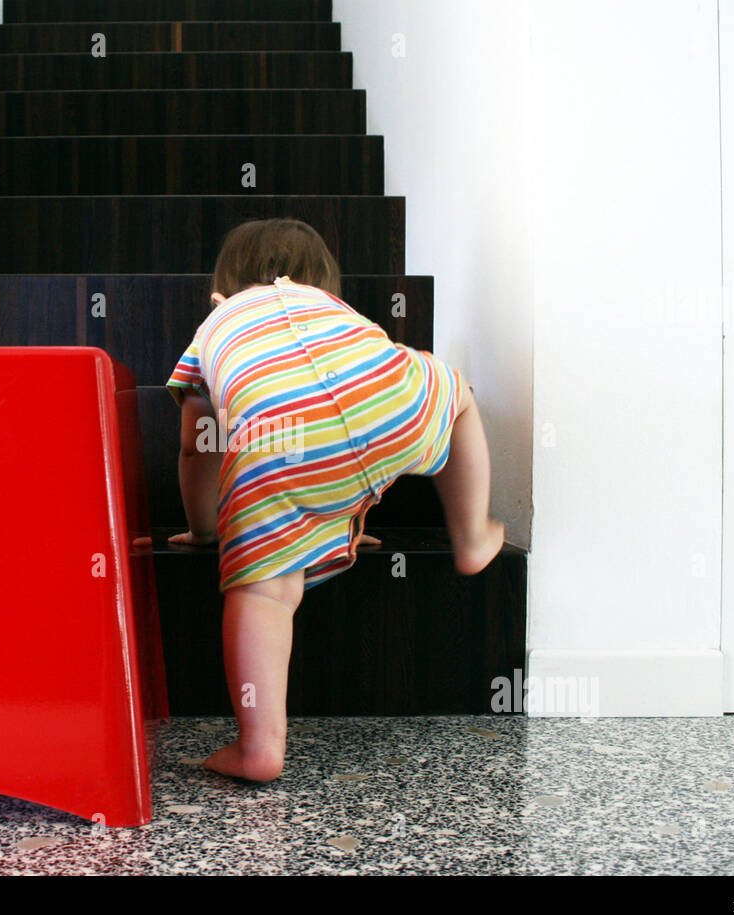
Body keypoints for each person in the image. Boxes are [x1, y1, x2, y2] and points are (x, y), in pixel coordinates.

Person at [166, 218, 504, 781]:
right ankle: (471, 535)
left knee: (265, 596)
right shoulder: (336, 314)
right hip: (385, 407)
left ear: (217, 297)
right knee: (458, 394)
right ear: (326, 287)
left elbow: (197, 446)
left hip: (275, 440)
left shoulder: (215, 326)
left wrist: (206, 531)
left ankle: (259, 747)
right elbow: (339, 407)